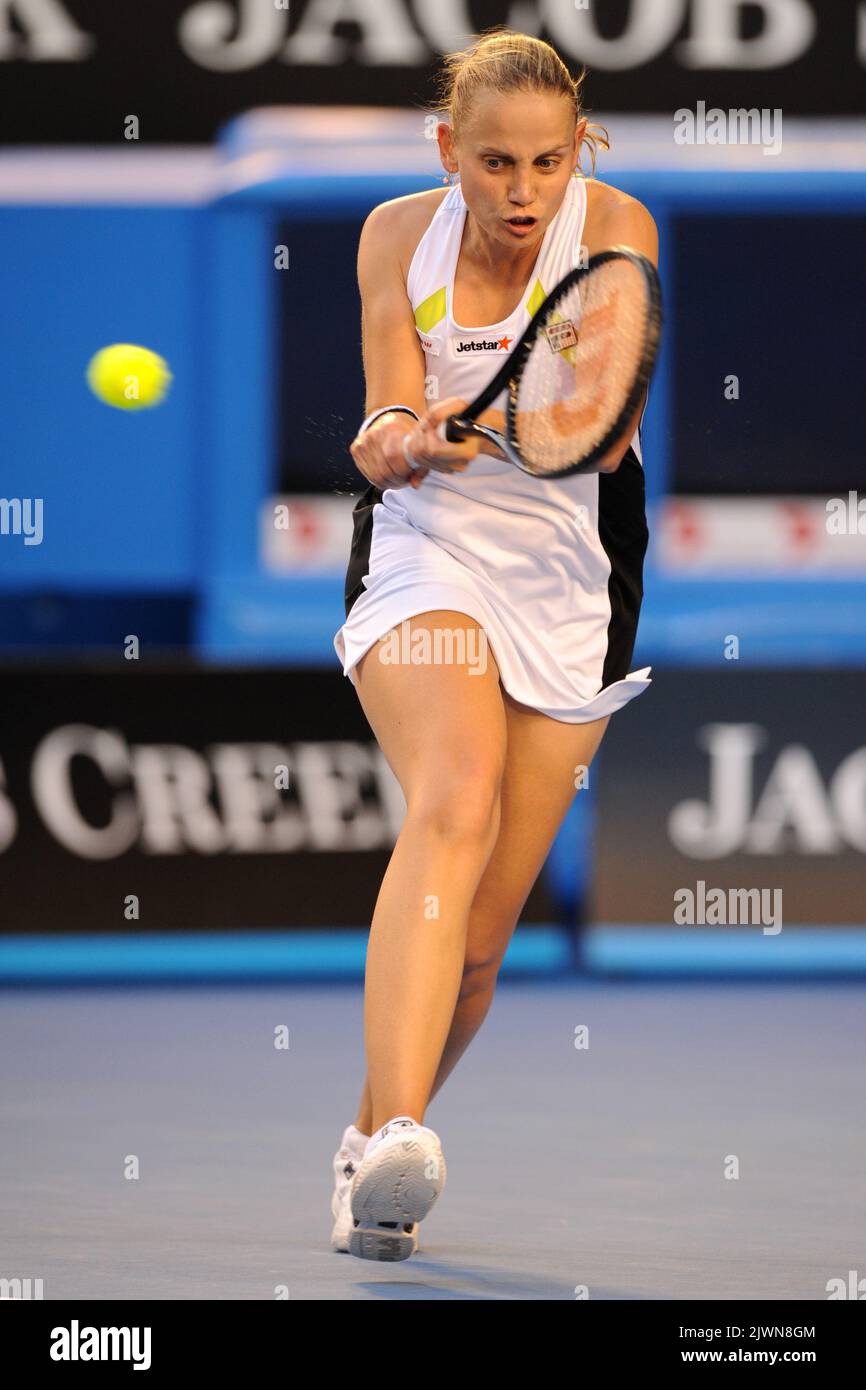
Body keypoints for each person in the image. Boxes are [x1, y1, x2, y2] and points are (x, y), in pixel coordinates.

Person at [330, 26, 657, 1262]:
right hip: (426, 550)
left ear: (578, 150)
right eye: (493, 165)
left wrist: (495, 425)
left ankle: (362, 1157)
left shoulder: (616, 226)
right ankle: (402, 1126)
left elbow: (601, 425)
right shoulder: (385, 235)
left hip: (570, 568)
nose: (522, 194)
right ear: (445, 152)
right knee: (451, 802)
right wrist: (394, 431)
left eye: (544, 164)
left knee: (477, 948)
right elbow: (386, 393)